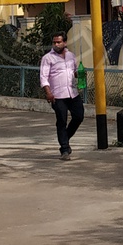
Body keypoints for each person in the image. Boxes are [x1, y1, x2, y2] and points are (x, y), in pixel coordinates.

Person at [39, 29, 83, 159]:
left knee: (79, 116)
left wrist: (79, 74)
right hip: (57, 95)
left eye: (58, 42)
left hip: (72, 93)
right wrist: (48, 92)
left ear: (65, 42)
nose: (56, 45)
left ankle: (65, 138)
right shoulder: (47, 58)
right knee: (61, 121)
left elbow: (74, 71)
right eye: (54, 42)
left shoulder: (71, 56)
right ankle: (64, 149)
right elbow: (43, 77)